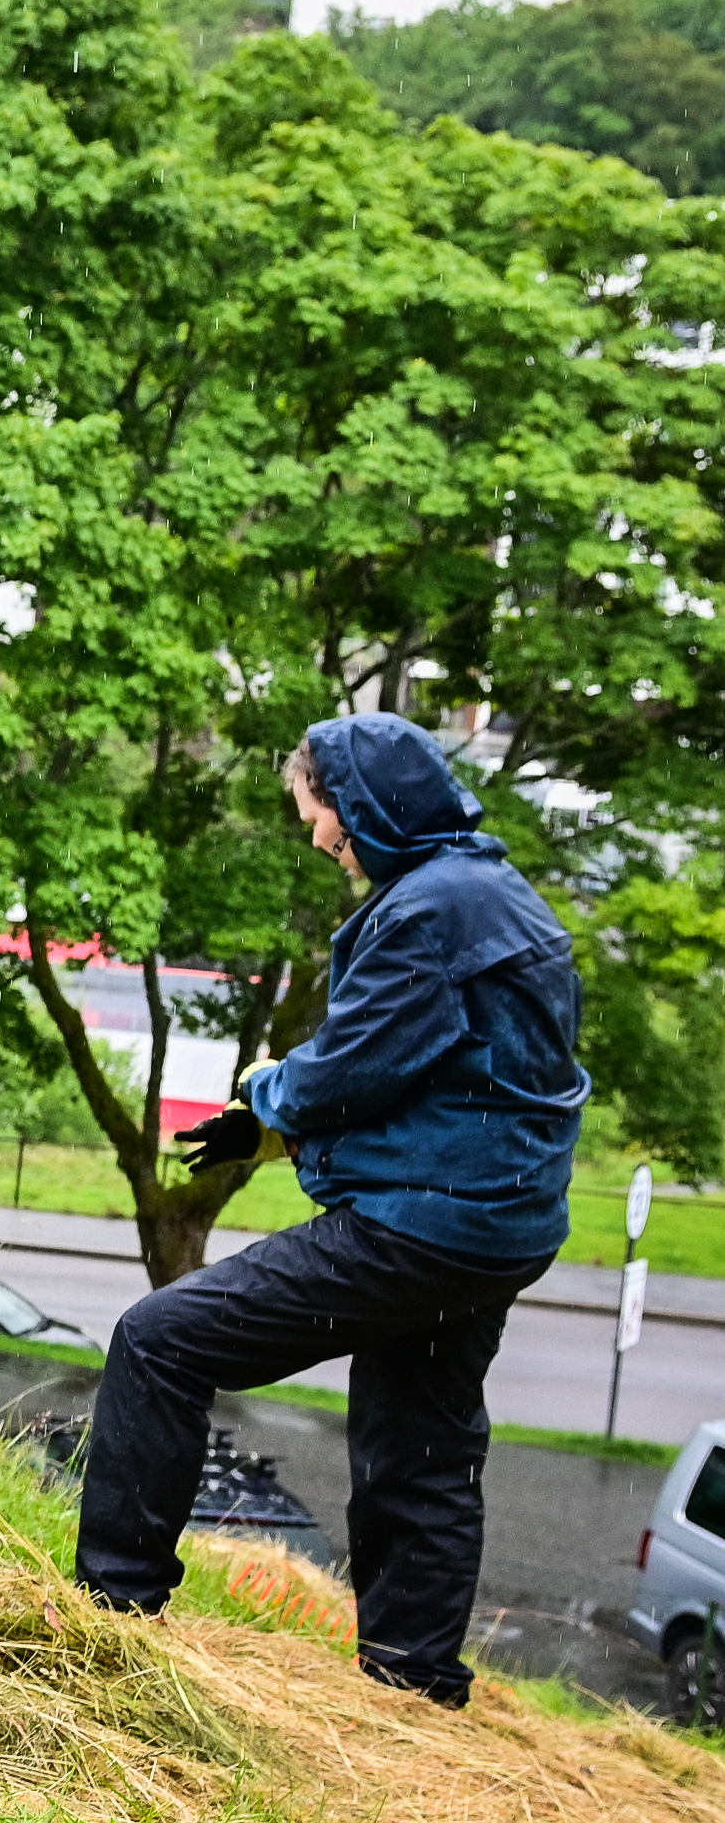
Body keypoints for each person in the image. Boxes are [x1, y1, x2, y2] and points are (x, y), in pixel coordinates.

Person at [76, 712, 587, 1707]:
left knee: (158, 1340)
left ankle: (109, 1614)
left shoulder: (429, 910)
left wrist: (263, 1098)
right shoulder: (496, 892)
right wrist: (272, 1130)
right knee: (422, 1446)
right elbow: (445, 1074)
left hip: (424, 1224)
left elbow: (348, 1070)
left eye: (320, 815)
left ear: (368, 808)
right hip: (504, 1226)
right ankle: (412, 1686)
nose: (317, 838)